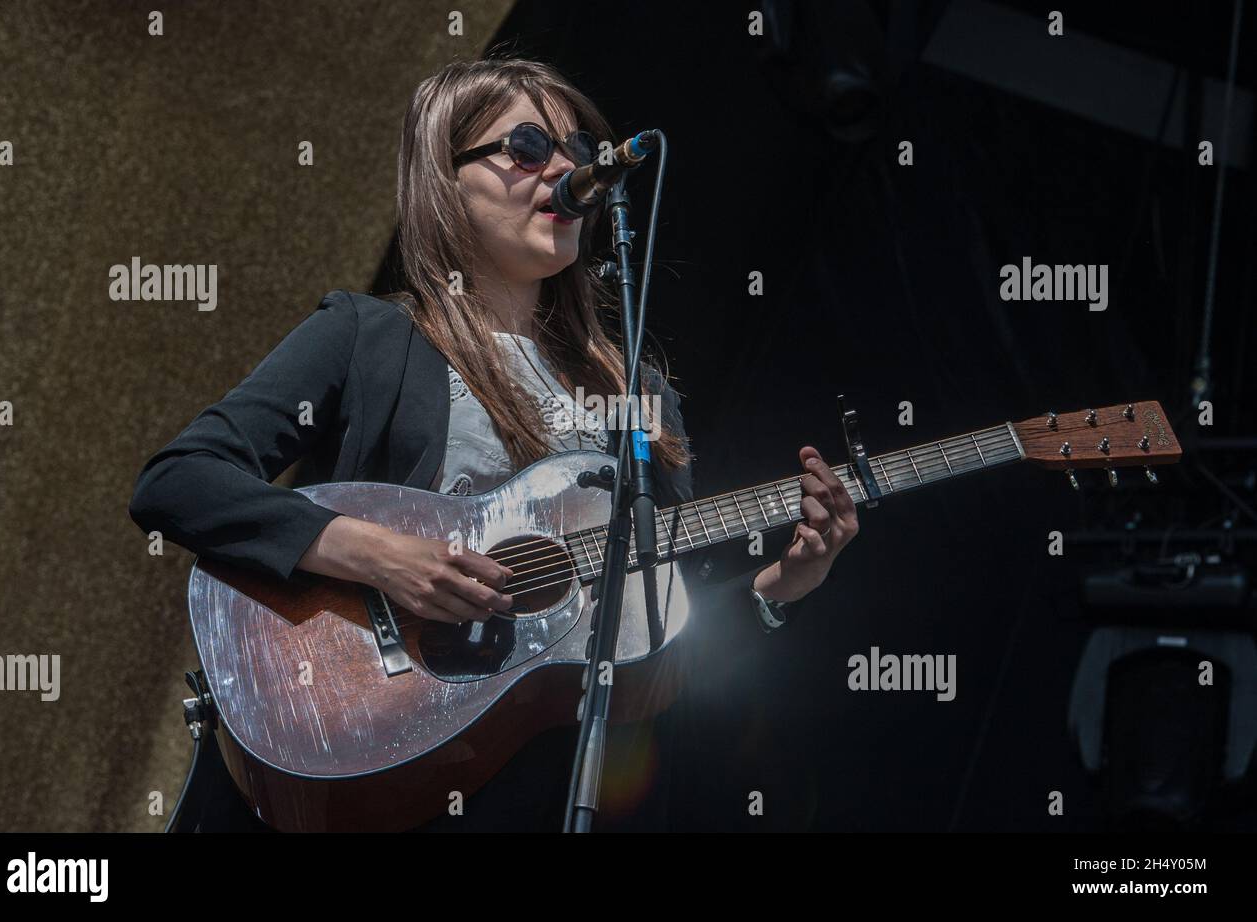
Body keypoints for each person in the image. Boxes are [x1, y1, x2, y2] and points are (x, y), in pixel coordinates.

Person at [129, 56, 858, 832]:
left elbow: (659, 628)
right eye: (530, 149)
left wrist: (783, 585)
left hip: (539, 786)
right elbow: (179, 481)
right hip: (362, 752)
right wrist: (376, 554)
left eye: (581, 154)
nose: (569, 173)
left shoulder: (640, 392)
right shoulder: (369, 336)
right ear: (447, 180)